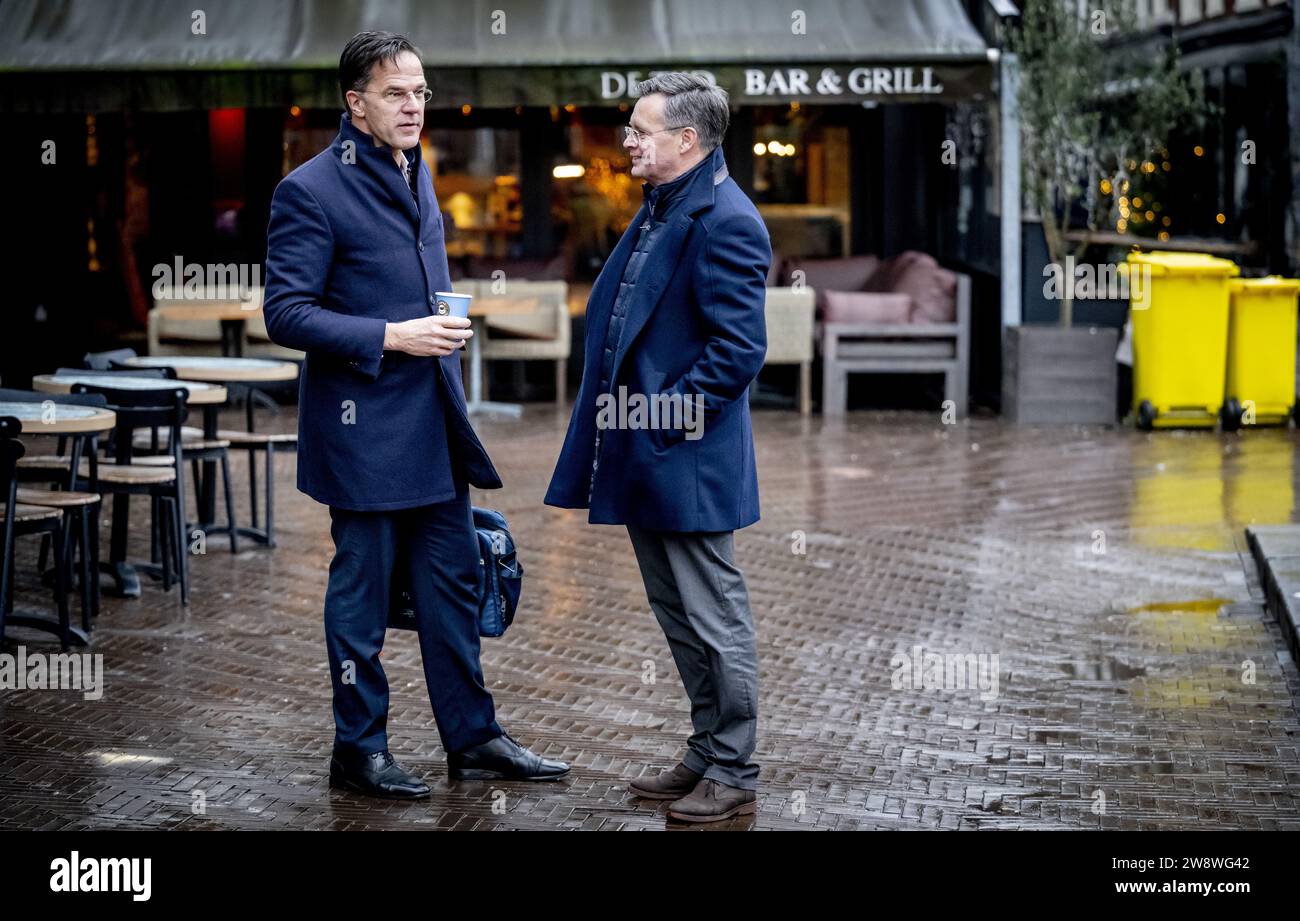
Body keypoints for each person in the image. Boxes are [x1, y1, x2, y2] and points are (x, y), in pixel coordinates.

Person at [263, 30, 568, 798]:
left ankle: (474, 738)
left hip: (434, 426)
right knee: (361, 601)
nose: (413, 106)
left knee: (453, 586)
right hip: (361, 434)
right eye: (395, 93)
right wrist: (393, 335)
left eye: (420, 92)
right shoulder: (308, 190)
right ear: (355, 102)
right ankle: (358, 750)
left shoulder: (415, 167)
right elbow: (285, 313)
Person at [545, 73, 768, 822]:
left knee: (715, 616)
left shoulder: (727, 220)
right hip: (646, 449)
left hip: (686, 457)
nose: (628, 142)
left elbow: (738, 352)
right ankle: (706, 752)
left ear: (688, 139)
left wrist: (663, 423)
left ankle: (733, 769)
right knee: (678, 615)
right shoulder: (662, 204)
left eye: (641, 131)